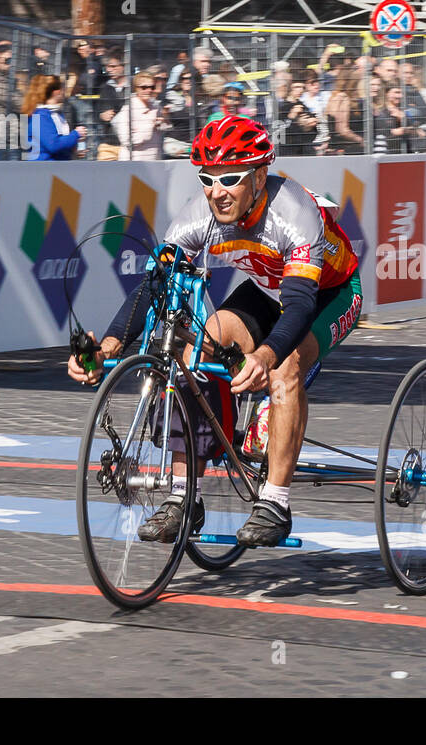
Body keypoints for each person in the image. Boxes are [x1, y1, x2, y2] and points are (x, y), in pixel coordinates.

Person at [67, 116, 362, 547]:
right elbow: (154, 287)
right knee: (199, 348)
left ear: (260, 177)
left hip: (326, 294)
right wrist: (108, 345)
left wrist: (265, 355)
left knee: (285, 366)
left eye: (230, 179)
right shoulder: (197, 218)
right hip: (265, 289)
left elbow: (298, 306)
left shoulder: (294, 212)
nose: (216, 192)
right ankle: (185, 496)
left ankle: (275, 503)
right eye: (207, 179)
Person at [21, 75, 86, 161]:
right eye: (63, 89)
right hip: (43, 168)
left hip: (58, 167)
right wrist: (76, 134)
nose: (64, 92)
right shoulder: (39, 116)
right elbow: (53, 145)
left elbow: (60, 142)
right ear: (56, 92)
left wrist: (73, 149)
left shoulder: (56, 114)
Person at [112, 73, 168, 160]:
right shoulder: (128, 110)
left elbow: (163, 132)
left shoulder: (156, 107)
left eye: (152, 87)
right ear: (136, 89)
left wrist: (162, 124)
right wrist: (149, 126)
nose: (148, 90)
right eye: (144, 87)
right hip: (134, 164)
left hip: (154, 162)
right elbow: (126, 141)